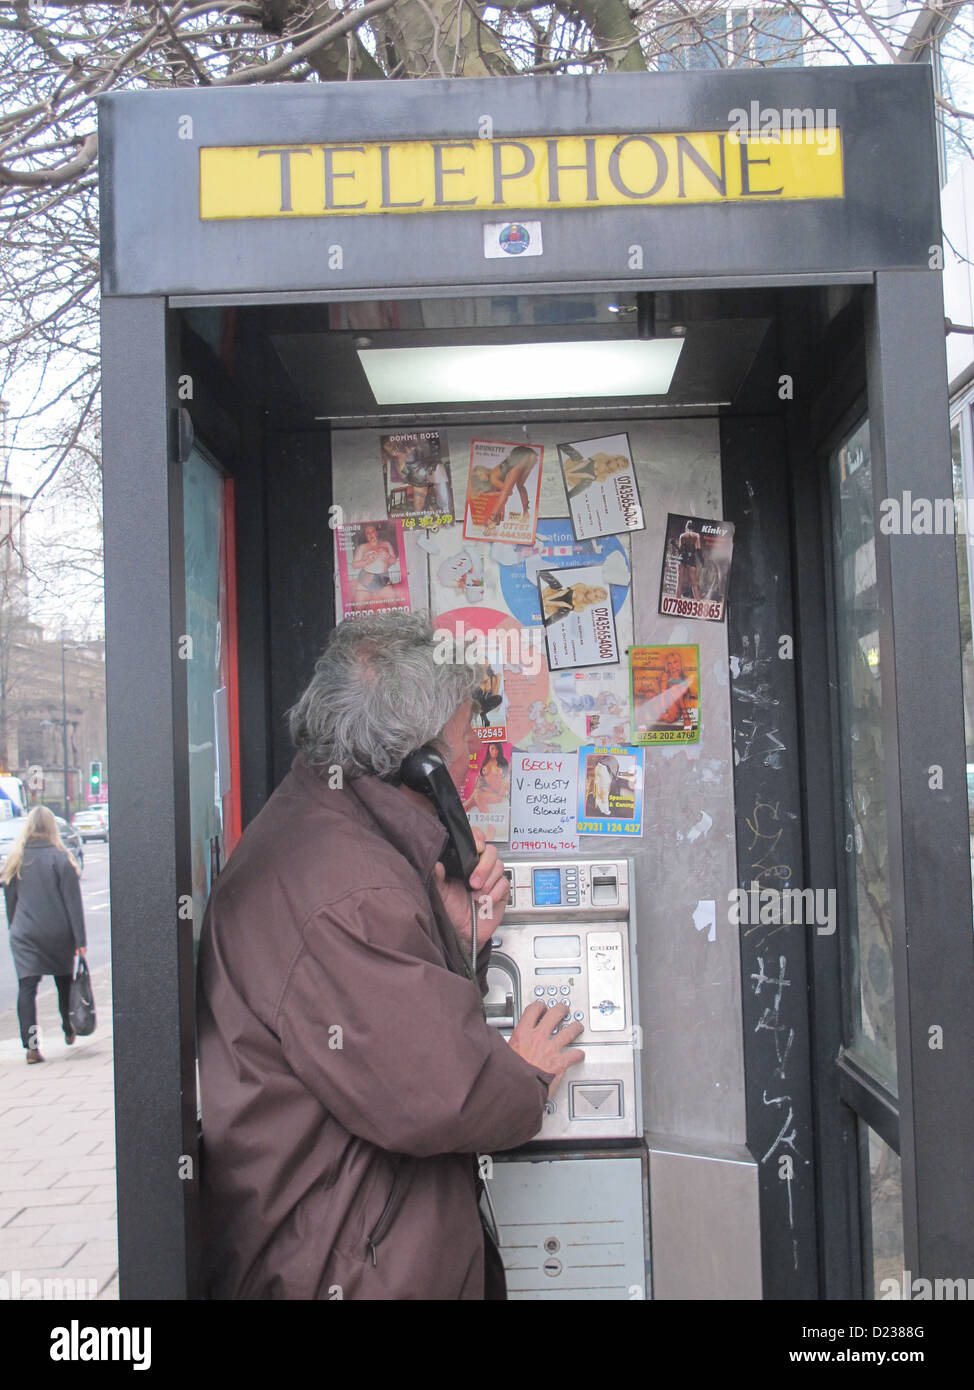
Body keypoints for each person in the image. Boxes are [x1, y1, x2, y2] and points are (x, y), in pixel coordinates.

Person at [196, 612, 584, 1300]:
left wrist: (459, 935)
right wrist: (525, 1077)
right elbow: (442, 1095)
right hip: (346, 1268)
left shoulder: (321, 826)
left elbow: (383, 1030)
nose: (477, 746)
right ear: (420, 760)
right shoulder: (352, 891)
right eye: (468, 728)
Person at [2, 805, 86, 1064]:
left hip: (25, 934)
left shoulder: (16, 860)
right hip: (58, 933)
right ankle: (68, 1027)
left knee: (27, 988)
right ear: (51, 828)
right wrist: (80, 941)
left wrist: (15, 927)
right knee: (64, 983)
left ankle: (31, 1048)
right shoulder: (61, 859)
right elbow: (73, 903)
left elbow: (10, 901)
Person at [538, 571, 609, 626]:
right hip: (553, 593)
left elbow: (563, 604)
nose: (592, 593)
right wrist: (548, 598)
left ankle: (543, 625)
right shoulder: (581, 586)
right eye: (594, 591)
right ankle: (539, 571)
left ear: (595, 600)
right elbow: (563, 592)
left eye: (595, 596)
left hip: (554, 606)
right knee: (557, 584)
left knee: (565, 612)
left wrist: (548, 602)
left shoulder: (581, 608)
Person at [351, 523, 398, 603]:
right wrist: (366, 561)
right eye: (367, 533)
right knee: (358, 607)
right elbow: (354, 565)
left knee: (393, 603)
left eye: (372, 531)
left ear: (376, 532)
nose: (370, 534)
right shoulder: (362, 547)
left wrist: (388, 557)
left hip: (383, 578)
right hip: (365, 579)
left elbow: (394, 561)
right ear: (365, 536)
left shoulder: (386, 544)